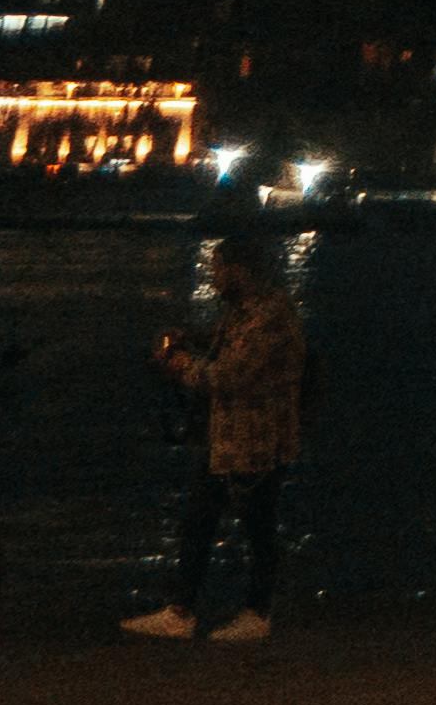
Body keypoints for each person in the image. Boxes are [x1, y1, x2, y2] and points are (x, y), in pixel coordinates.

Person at [123, 238, 304, 644]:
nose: (213, 277)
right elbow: (226, 346)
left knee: (258, 527)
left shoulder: (270, 317)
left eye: (218, 269)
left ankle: (257, 613)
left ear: (241, 270)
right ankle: (182, 611)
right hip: (227, 440)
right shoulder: (244, 311)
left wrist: (179, 363)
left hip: (257, 443)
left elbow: (228, 376)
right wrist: (190, 338)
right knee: (199, 522)